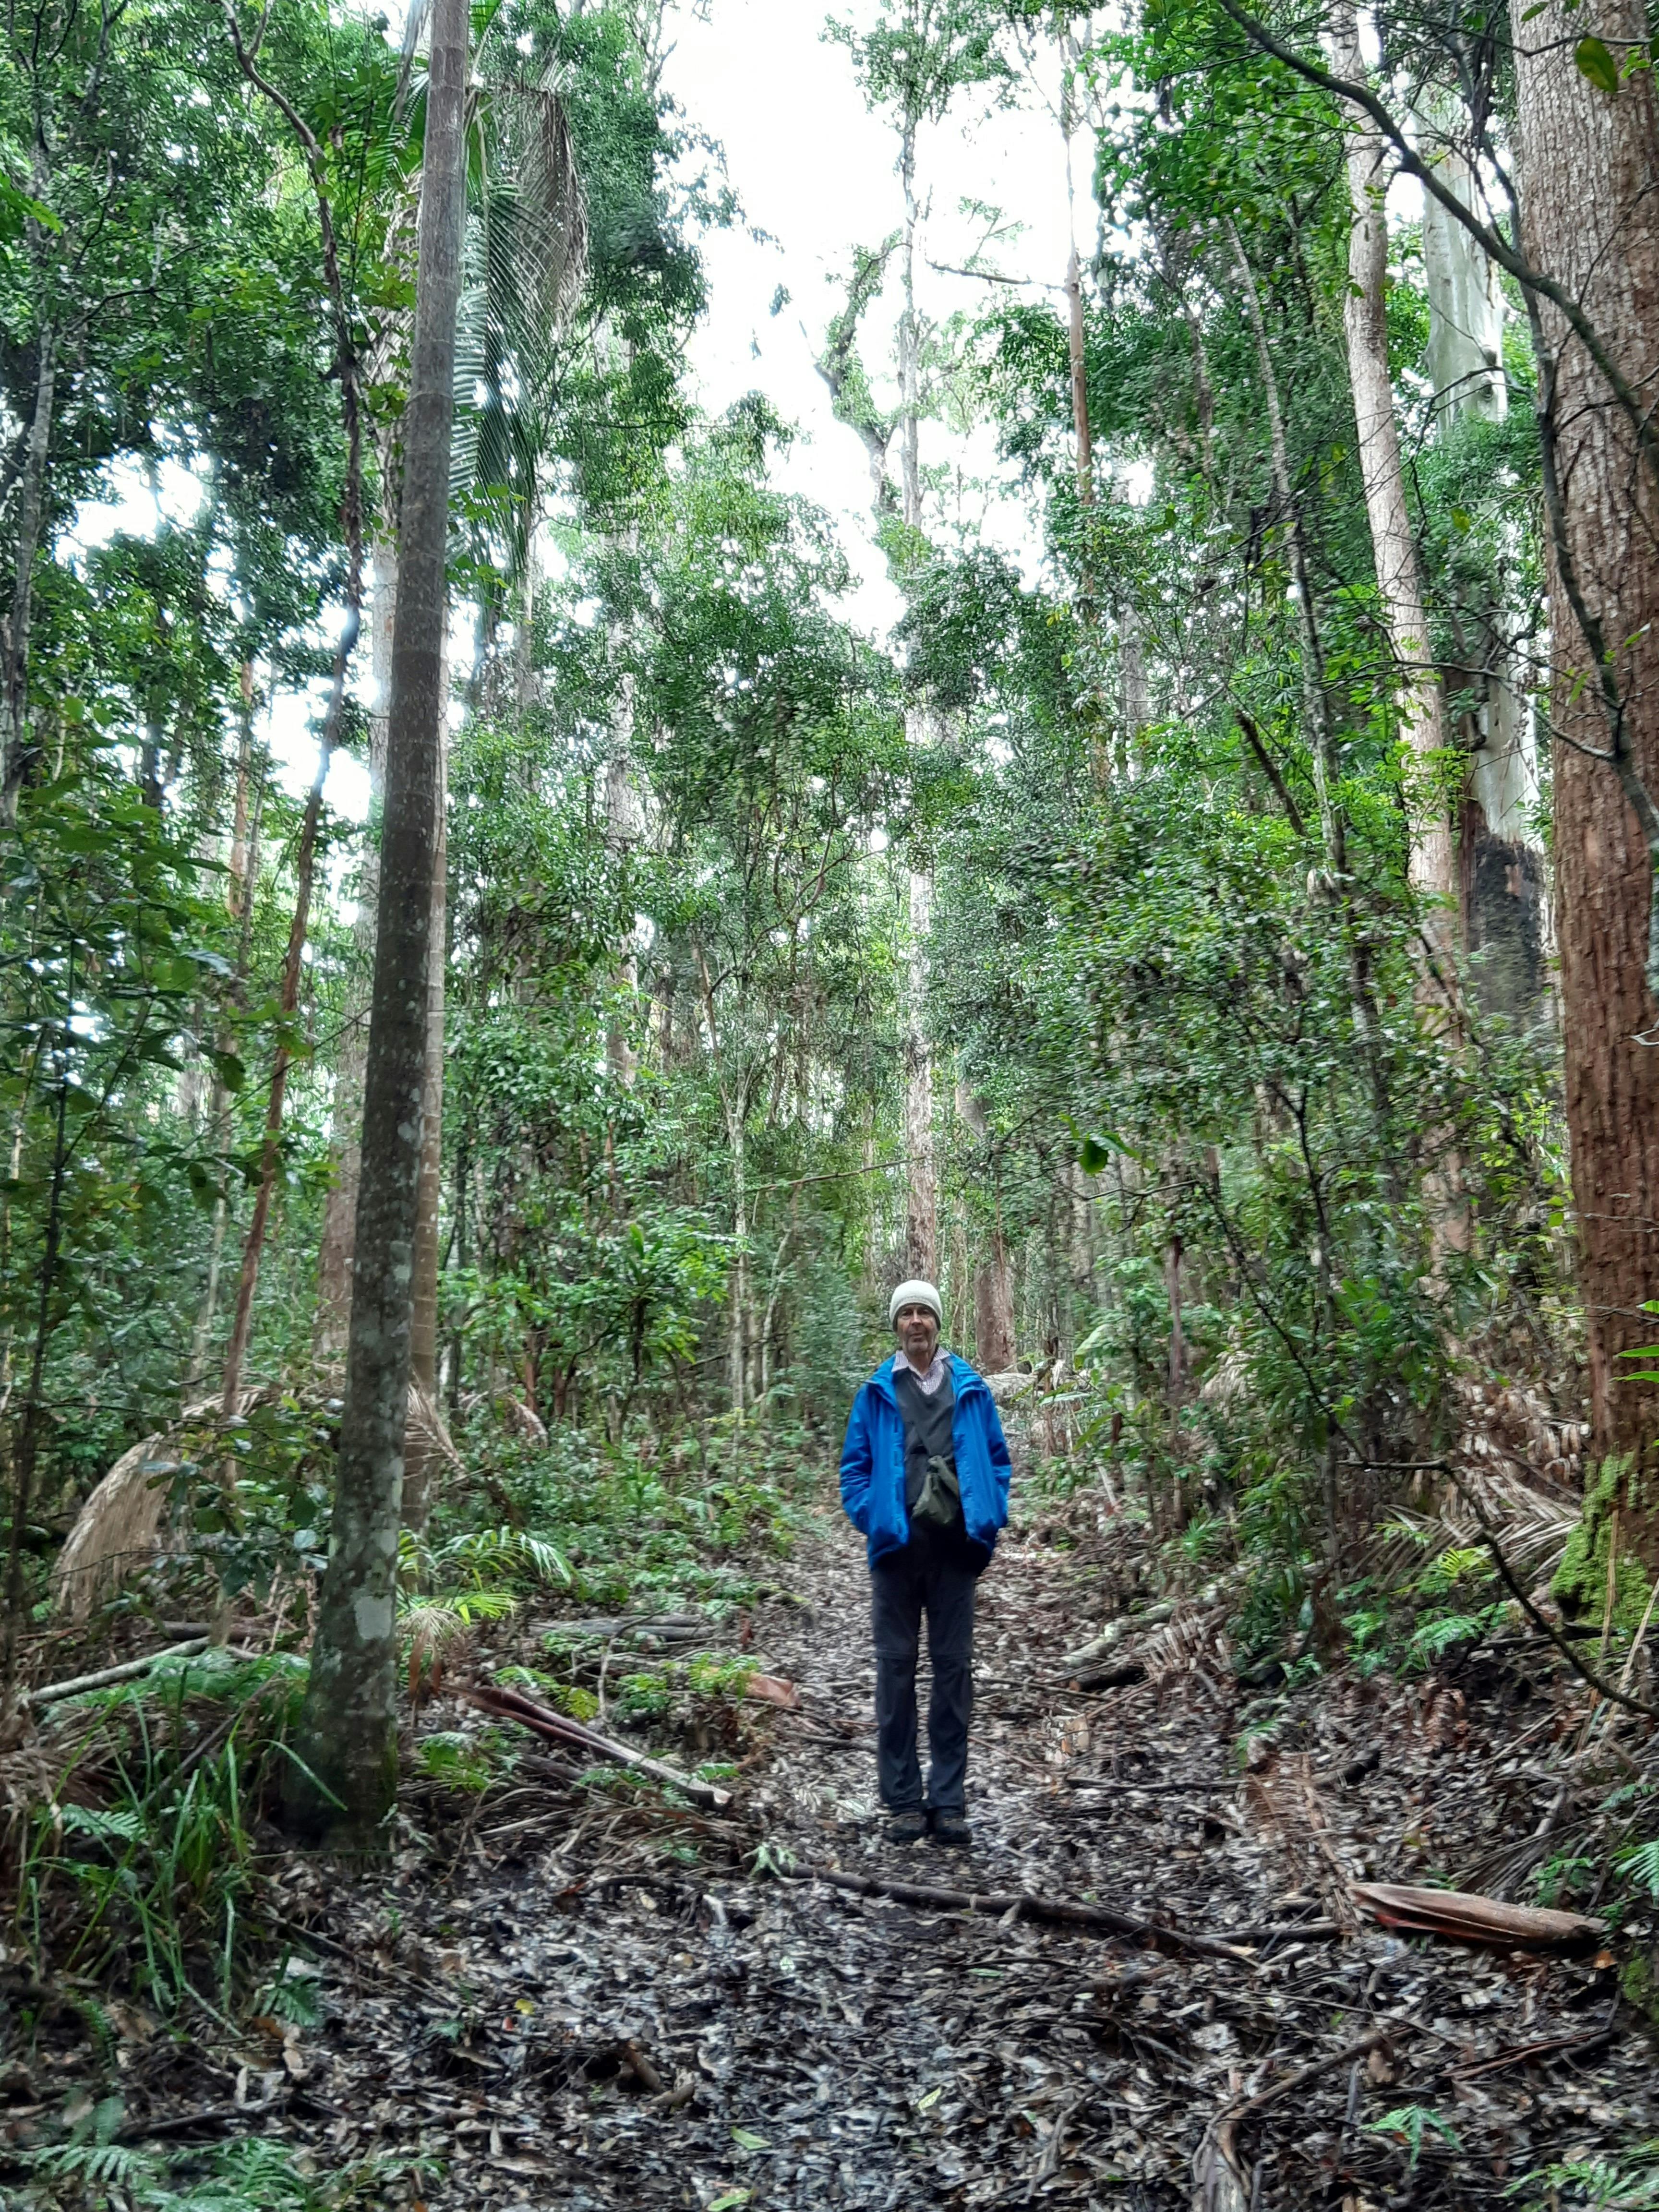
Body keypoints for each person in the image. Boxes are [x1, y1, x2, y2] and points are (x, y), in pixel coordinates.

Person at [838, 1278, 1012, 1849]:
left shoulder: (972, 1390)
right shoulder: (875, 1392)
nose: (916, 1322)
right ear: (897, 1325)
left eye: (925, 1313)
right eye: (907, 1313)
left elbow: (998, 1463)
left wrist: (987, 1517)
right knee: (895, 1674)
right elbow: (853, 1473)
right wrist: (877, 1518)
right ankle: (904, 1802)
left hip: (956, 1555)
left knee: (953, 1675)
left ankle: (949, 1801)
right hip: (896, 1556)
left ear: (939, 1323)